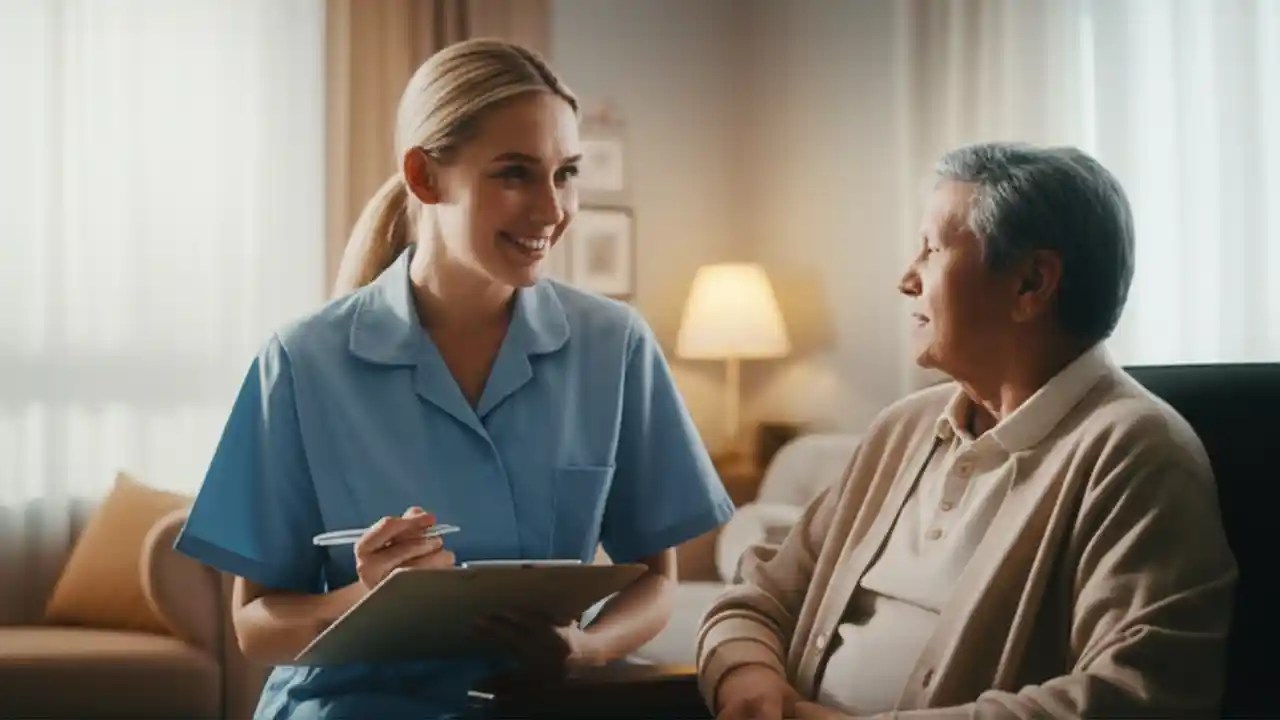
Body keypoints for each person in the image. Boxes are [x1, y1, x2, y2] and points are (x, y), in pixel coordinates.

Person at [175, 38, 733, 719]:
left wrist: (584, 650)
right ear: (424, 176)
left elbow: (656, 581)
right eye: (514, 174)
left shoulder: (614, 348)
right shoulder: (302, 362)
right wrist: (369, 602)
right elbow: (255, 624)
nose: (553, 209)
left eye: (565, 174)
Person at [698, 142, 1237, 719]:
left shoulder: (1138, 454)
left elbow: (1137, 696)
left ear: (1031, 283)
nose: (906, 278)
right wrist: (748, 680)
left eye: (931, 250)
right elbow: (759, 596)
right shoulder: (901, 429)